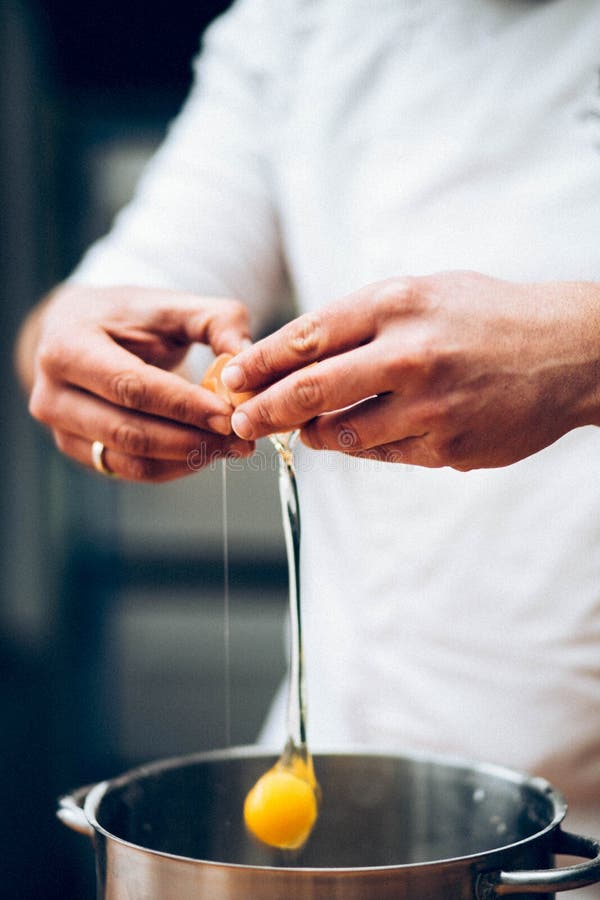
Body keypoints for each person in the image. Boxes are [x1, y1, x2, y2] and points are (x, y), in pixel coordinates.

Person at [15, 0, 600, 889]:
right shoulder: (297, 22)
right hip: (353, 774)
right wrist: (79, 358)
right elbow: (104, 301)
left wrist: (586, 352)